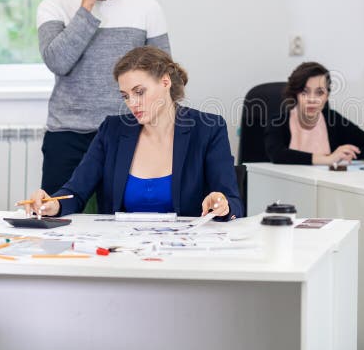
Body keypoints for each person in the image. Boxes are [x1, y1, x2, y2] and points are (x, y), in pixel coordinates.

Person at [23, 46, 243, 220]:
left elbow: (233, 203)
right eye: (125, 96)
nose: (132, 103)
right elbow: (76, 192)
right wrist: (54, 204)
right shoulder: (112, 130)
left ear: (165, 82)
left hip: (184, 254)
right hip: (121, 251)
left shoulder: (208, 129)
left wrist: (222, 204)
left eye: (139, 92)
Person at [36, 0, 171, 195]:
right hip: (68, 136)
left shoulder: (147, 8)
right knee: (58, 219)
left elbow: (166, 77)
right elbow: (59, 62)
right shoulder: (54, 6)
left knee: (122, 221)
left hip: (129, 132)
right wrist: (87, 6)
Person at [265, 62, 364, 165]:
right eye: (305, 92)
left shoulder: (333, 119)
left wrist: (348, 155)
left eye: (319, 93)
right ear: (295, 94)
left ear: (327, 96)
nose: (312, 99)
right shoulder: (278, 121)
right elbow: (277, 154)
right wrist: (329, 159)